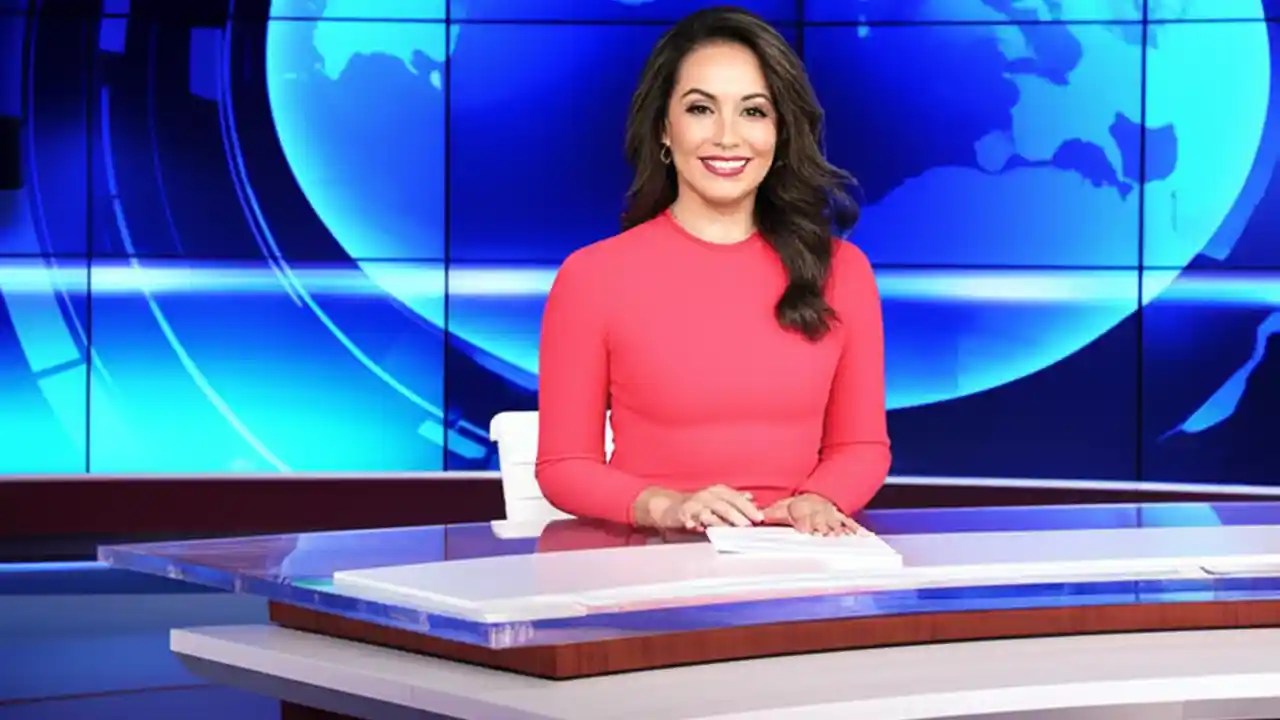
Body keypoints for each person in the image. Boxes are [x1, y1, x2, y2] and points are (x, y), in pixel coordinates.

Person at [535, 6, 890, 536]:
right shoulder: (592, 277)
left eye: (753, 112)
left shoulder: (843, 271)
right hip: (651, 561)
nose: (727, 137)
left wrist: (818, 501)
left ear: (780, 132)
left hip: (794, 558)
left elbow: (861, 447)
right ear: (664, 128)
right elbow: (564, 466)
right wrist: (666, 507)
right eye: (701, 109)